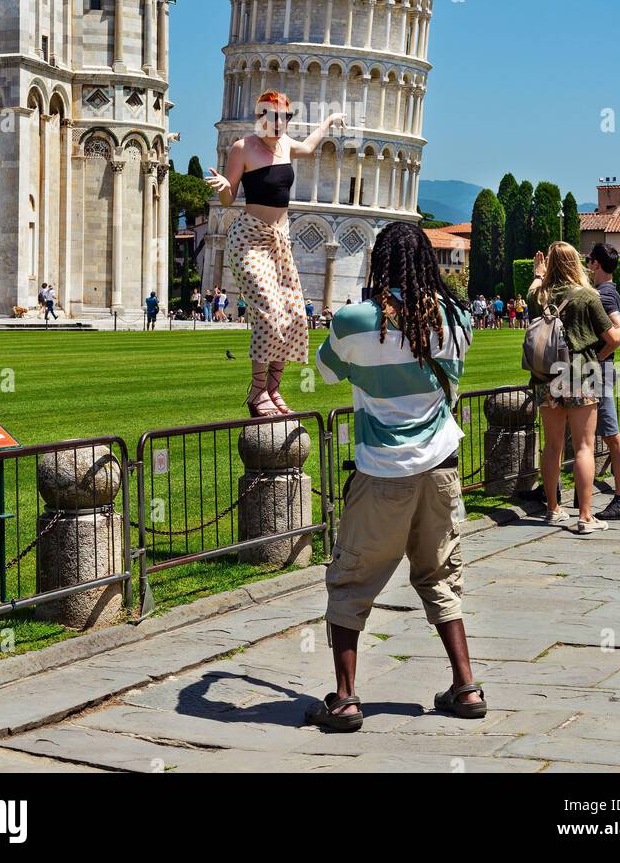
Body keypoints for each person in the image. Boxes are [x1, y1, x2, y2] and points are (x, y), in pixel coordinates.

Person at [310, 221, 483, 729]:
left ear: (378, 263)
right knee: (440, 574)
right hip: (442, 464)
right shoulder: (456, 318)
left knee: (351, 581)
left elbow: (325, 372)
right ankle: (465, 686)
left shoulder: (355, 320)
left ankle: (344, 698)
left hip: (382, 468)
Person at [205, 89, 344, 416]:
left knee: (296, 314)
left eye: (286, 118)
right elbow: (229, 198)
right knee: (270, 312)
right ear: (261, 118)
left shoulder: (286, 145)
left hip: (279, 240)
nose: (280, 125)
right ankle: (256, 393)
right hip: (250, 240)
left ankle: (273, 387)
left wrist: (328, 121)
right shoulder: (243, 148)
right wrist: (226, 187)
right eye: (274, 118)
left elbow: (309, 147)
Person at [527, 243, 620, 533]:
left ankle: (553, 508)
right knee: (584, 446)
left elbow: (533, 289)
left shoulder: (540, 294)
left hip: (546, 377)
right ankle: (585, 516)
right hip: (582, 375)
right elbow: (613, 337)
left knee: (551, 447)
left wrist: (539, 275)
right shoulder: (588, 295)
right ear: (576, 263)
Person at [585, 244, 620, 520]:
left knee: (611, 434)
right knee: (592, 433)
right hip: (599, 371)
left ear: (596, 265)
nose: (588, 264)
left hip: (599, 374)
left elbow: (617, 330)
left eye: (589, 260)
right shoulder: (608, 292)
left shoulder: (604, 295)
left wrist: (598, 357)